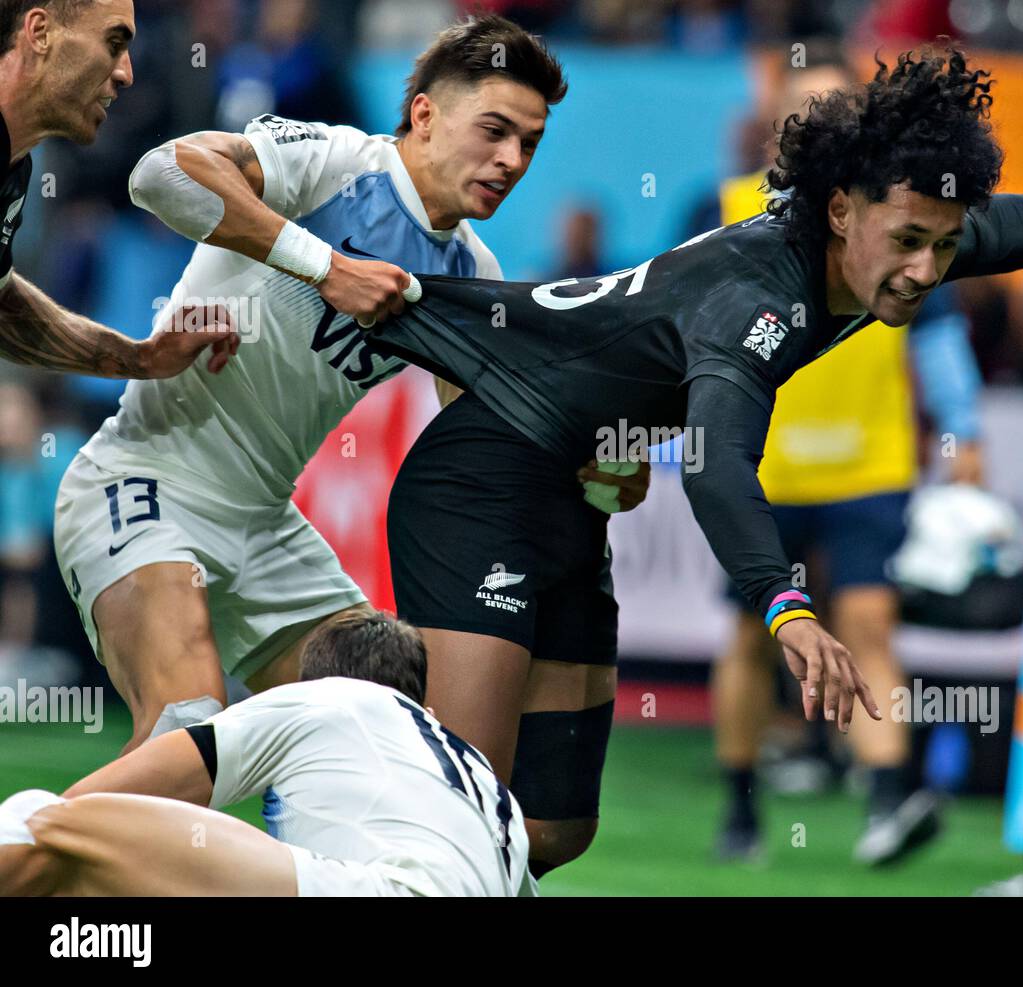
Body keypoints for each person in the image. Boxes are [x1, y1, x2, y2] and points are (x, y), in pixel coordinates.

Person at [373, 45, 1023, 874]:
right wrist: (787, 610)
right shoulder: (759, 297)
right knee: (465, 813)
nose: (924, 269)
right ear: (841, 210)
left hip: (574, 493)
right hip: (480, 481)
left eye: (944, 247)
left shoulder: (897, 234)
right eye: (910, 240)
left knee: (553, 830)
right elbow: (717, 459)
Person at [53, 15, 635, 755]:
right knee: (187, 726)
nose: (511, 158)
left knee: (383, 741)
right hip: (142, 481)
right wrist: (328, 268)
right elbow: (157, 175)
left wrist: (597, 473)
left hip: (265, 524)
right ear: (424, 114)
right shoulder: (338, 161)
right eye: (493, 130)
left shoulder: (469, 275)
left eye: (529, 143)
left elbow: (491, 446)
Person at [711, 42, 984, 865]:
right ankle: (740, 808)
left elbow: (937, 327)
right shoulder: (723, 210)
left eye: (840, 108)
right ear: (778, 126)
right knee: (754, 636)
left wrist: (964, 427)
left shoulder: (903, 222)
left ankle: (889, 799)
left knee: (869, 621)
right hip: (763, 467)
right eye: (809, 107)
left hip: (870, 462)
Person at [0, 610, 534, 896]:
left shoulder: (324, 698)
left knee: (37, 819)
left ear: (312, 676)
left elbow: (99, 798)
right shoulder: (487, 785)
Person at [0, 0, 237, 378]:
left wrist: (141, 359)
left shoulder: (16, 166)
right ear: (40, 33)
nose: (126, 73)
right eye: (113, 44)